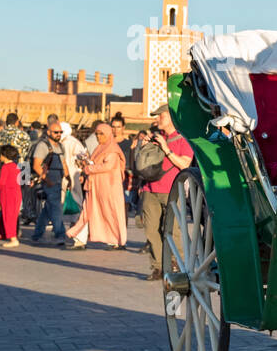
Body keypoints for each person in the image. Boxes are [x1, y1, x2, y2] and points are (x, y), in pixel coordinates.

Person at [140, 105, 194, 280]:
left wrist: (166, 148)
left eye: (160, 116)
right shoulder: (157, 137)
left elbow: (185, 164)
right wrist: (145, 147)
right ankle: (158, 267)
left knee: (174, 230)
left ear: (171, 117)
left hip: (172, 189)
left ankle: (178, 264)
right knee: (151, 230)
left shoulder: (183, 138)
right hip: (150, 189)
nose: (157, 120)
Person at [65, 120, 127, 251]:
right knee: (87, 211)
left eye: (101, 134)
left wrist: (88, 169)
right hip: (94, 187)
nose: (99, 137)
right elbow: (94, 164)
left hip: (108, 189)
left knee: (110, 213)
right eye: (97, 134)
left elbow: (108, 166)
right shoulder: (99, 149)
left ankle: (115, 240)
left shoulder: (113, 150)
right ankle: (79, 239)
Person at [30, 120, 68, 245]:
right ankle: (60, 233)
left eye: (60, 132)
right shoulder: (43, 145)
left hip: (58, 180)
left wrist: (68, 178)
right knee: (56, 208)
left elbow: (63, 163)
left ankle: (37, 234)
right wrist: (47, 180)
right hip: (49, 181)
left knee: (48, 209)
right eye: (56, 132)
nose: (59, 134)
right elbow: (36, 165)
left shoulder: (60, 146)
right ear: (49, 132)